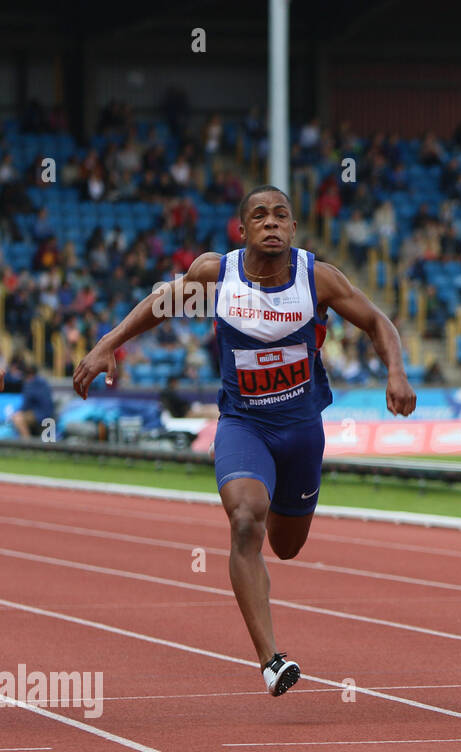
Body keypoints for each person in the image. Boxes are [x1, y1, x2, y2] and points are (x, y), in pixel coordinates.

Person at [73, 185, 417, 696]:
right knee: (244, 520)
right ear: (243, 229)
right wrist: (107, 345)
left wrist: (397, 372)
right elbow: (159, 304)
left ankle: (281, 510)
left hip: (301, 431)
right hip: (243, 425)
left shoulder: (317, 279)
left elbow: (376, 321)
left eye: (282, 214)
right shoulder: (216, 275)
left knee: (287, 546)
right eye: (260, 215)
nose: (272, 222)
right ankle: (271, 660)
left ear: (294, 228)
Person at [7, 357, 54, 438]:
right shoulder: (41, 381)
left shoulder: (32, 383)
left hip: (42, 414)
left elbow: (26, 405)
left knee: (17, 418)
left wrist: (19, 412)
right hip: (44, 413)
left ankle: (27, 444)